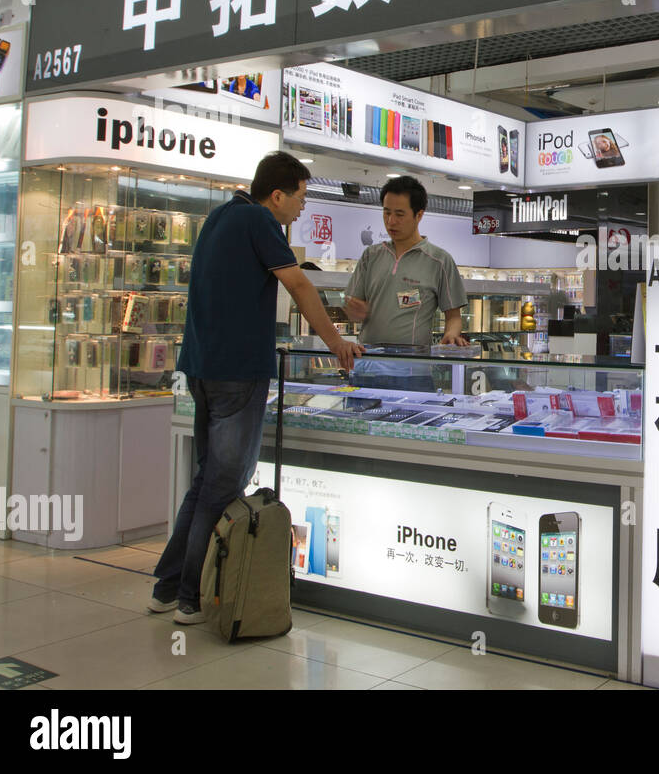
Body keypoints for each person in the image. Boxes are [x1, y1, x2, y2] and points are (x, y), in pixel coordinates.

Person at [150, 152, 364, 625]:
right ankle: (191, 597)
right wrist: (336, 343)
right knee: (222, 486)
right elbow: (300, 287)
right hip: (237, 374)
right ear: (277, 195)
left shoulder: (220, 217)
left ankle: (165, 586)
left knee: (205, 482)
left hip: (202, 369)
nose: (302, 209)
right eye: (301, 198)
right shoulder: (260, 221)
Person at [343, 175, 469, 389]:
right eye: (387, 212)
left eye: (400, 214)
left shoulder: (439, 260)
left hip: (413, 372)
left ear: (419, 215)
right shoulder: (371, 256)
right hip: (367, 369)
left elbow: (454, 316)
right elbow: (352, 306)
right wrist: (354, 310)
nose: (391, 221)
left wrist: (451, 334)